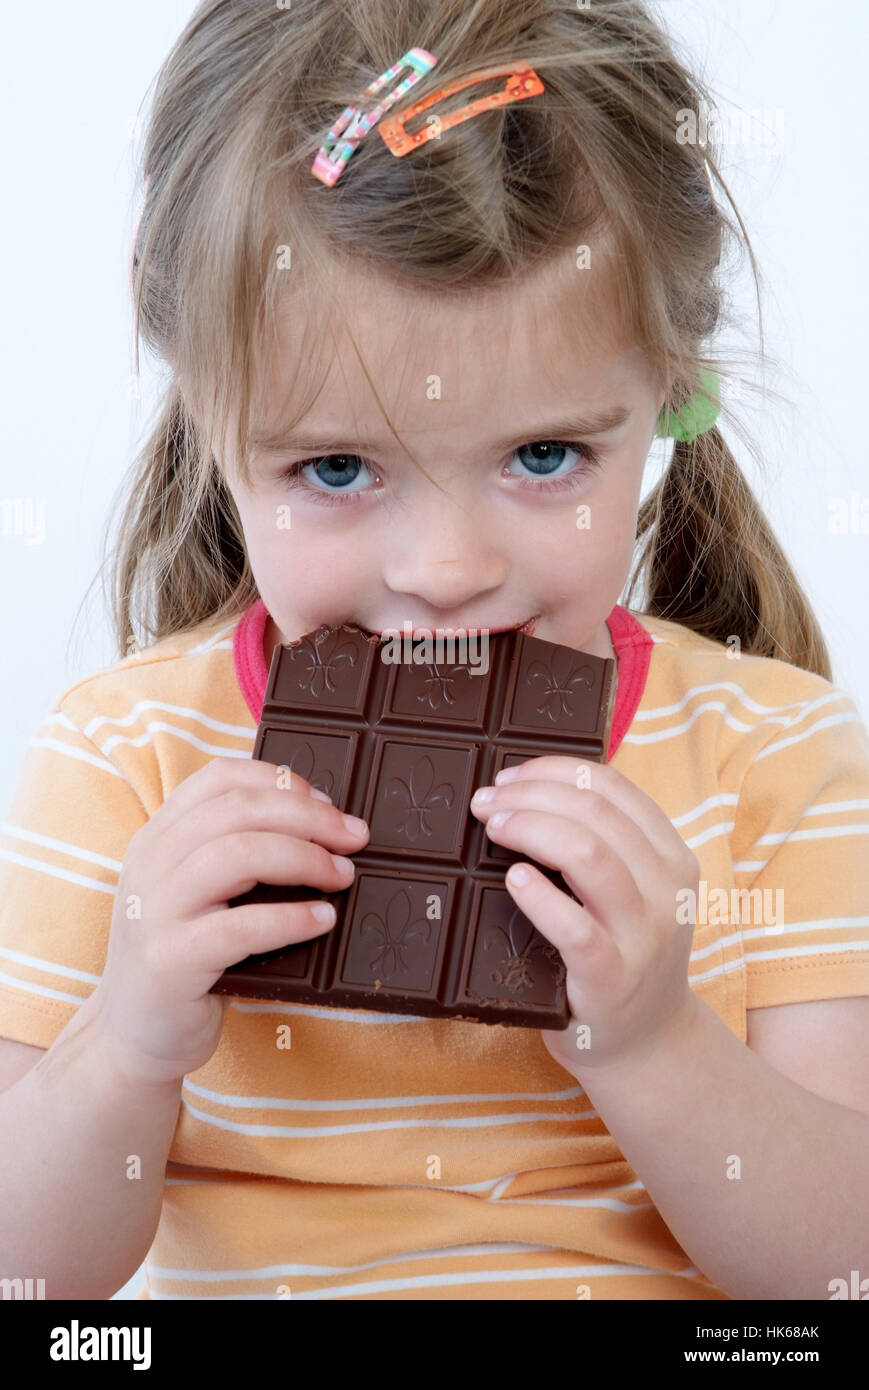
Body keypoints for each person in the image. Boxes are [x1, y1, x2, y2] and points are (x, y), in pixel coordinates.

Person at [1, 0, 867, 1302]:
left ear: (669, 393)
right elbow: (33, 1272)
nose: (445, 569)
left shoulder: (780, 762)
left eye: (542, 457)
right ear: (208, 411)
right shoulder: (126, 763)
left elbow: (838, 1267)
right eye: (337, 467)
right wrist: (123, 1045)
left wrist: (649, 1040)